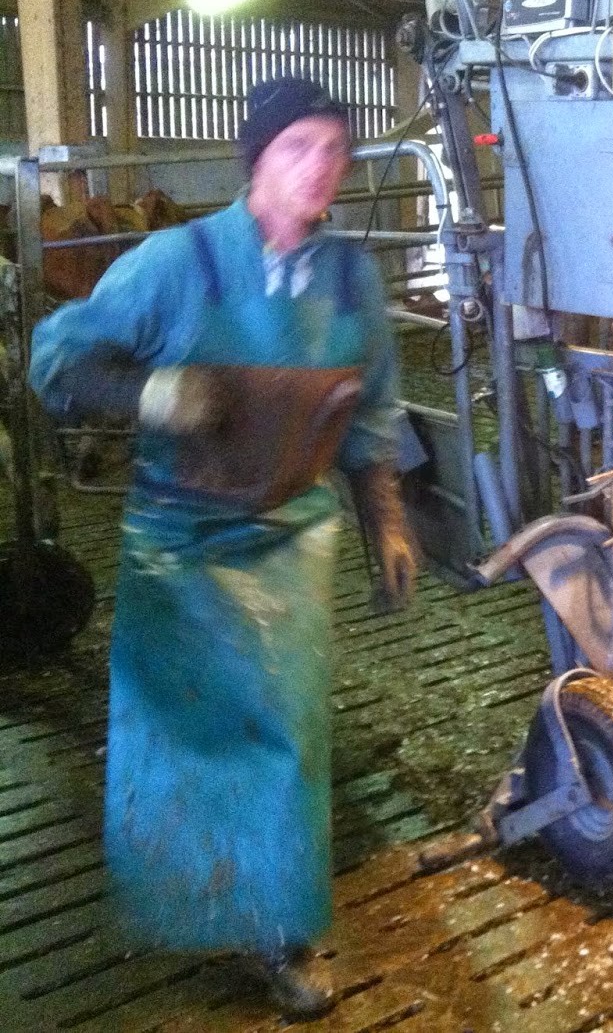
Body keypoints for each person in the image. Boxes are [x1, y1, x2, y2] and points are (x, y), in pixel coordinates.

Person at [29, 76, 416, 1021]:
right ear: (257, 160)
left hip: (290, 538)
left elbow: (369, 408)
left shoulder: (349, 279)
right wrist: (147, 393)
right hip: (179, 542)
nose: (320, 166)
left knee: (285, 736)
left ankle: (279, 929)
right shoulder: (177, 262)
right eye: (298, 147)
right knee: (180, 728)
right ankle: (186, 889)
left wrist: (387, 518)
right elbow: (56, 358)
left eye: (335, 149)